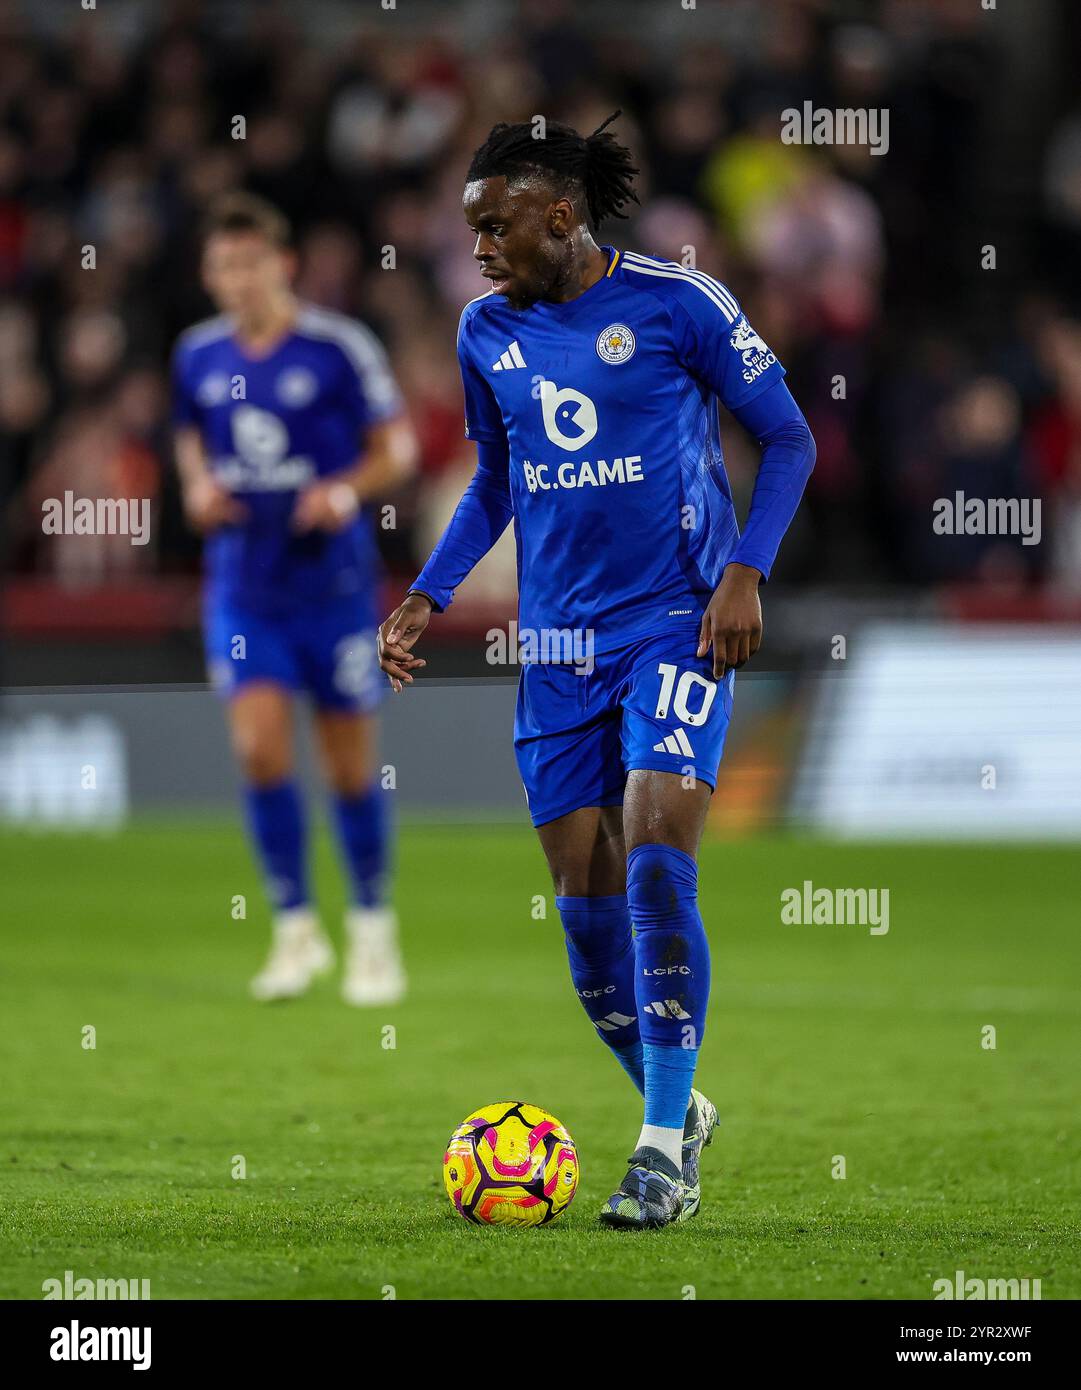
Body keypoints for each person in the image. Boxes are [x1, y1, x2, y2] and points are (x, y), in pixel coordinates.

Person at [378, 116, 815, 1227]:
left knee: (659, 841)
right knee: (585, 918)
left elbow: (790, 437)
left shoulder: (681, 304)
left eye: (492, 226)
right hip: (556, 646)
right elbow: (494, 484)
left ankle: (660, 1151)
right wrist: (429, 592)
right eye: (469, 227)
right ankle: (681, 1104)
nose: (475, 247)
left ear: (560, 217)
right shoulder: (486, 331)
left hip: (676, 621)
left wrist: (744, 573)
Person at [174, 192, 417, 1006]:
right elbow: (189, 441)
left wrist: (345, 492)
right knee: (258, 751)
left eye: (247, 263)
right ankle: (294, 929)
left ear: (281, 265)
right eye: (220, 267)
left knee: (348, 768)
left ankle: (373, 931)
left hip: (333, 588)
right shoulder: (197, 356)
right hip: (245, 588)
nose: (233, 280)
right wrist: (197, 488)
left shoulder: (337, 347)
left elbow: (397, 450)